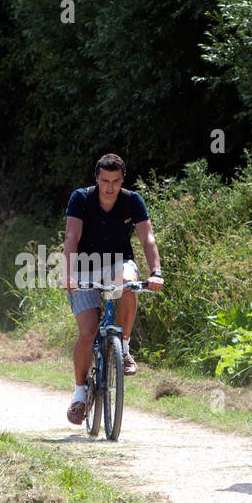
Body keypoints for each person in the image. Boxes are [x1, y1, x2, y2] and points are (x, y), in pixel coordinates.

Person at [62, 154, 164, 424]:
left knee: (129, 283)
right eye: (105, 181)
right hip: (84, 266)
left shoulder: (132, 201)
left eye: (115, 182)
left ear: (122, 180)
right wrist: (68, 274)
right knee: (87, 332)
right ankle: (80, 395)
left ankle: (126, 348)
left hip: (118, 262)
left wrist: (156, 272)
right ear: (96, 178)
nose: (110, 187)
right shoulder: (81, 199)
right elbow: (72, 236)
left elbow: (147, 237)